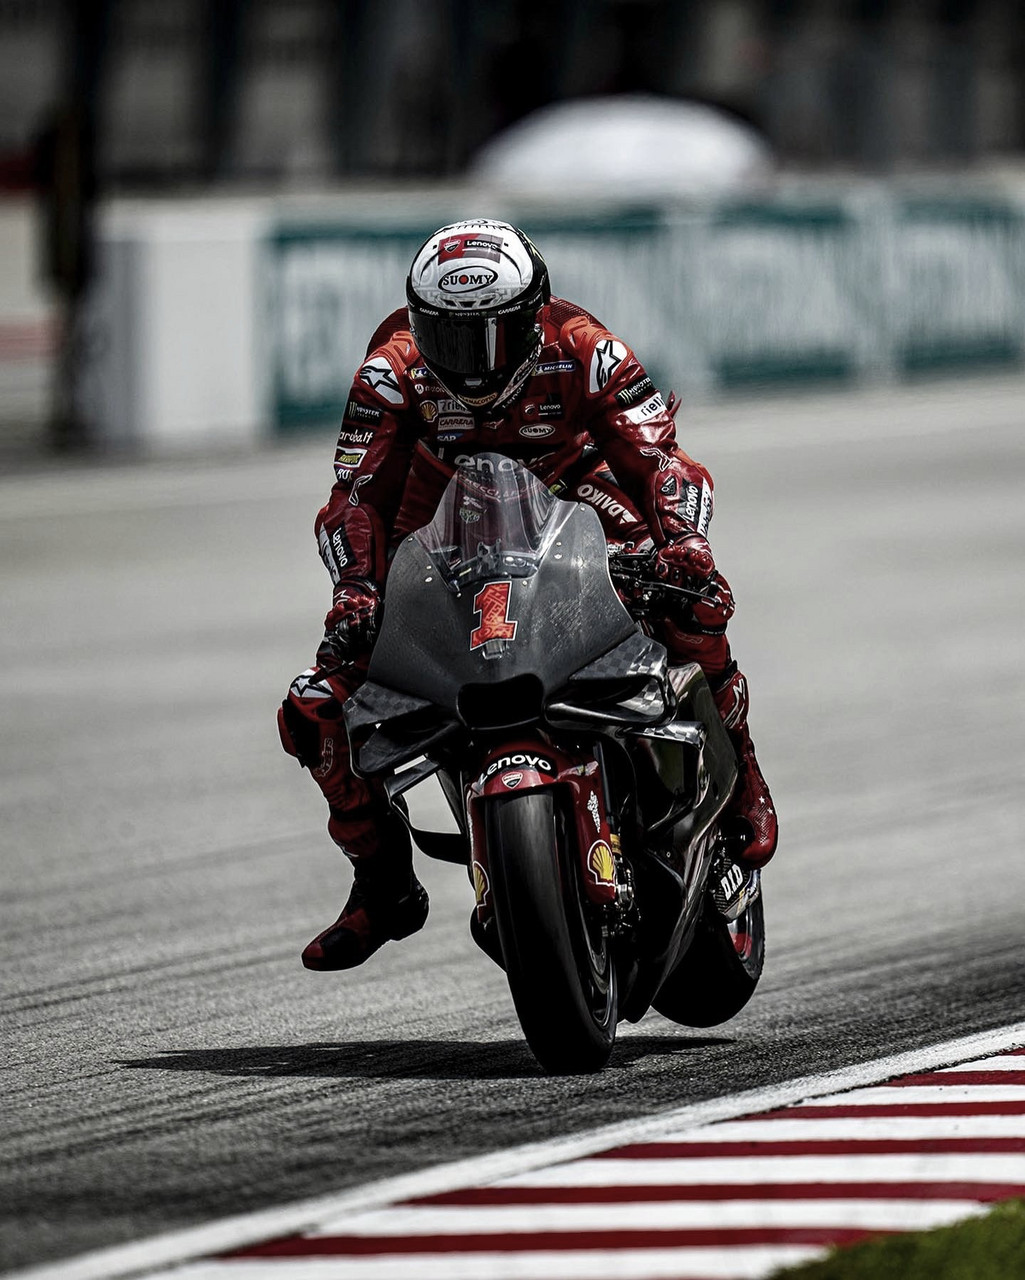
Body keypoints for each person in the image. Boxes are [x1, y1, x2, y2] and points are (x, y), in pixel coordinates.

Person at [278, 218, 777, 972]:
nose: (469, 363)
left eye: (492, 336)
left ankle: (743, 783)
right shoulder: (391, 372)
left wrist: (683, 542)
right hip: (437, 519)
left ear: (533, 315)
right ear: (418, 324)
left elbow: (663, 463)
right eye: (448, 338)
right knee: (313, 707)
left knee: (695, 601)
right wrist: (356, 590)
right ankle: (382, 882)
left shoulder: (586, 349)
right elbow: (353, 499)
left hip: (577, 496)